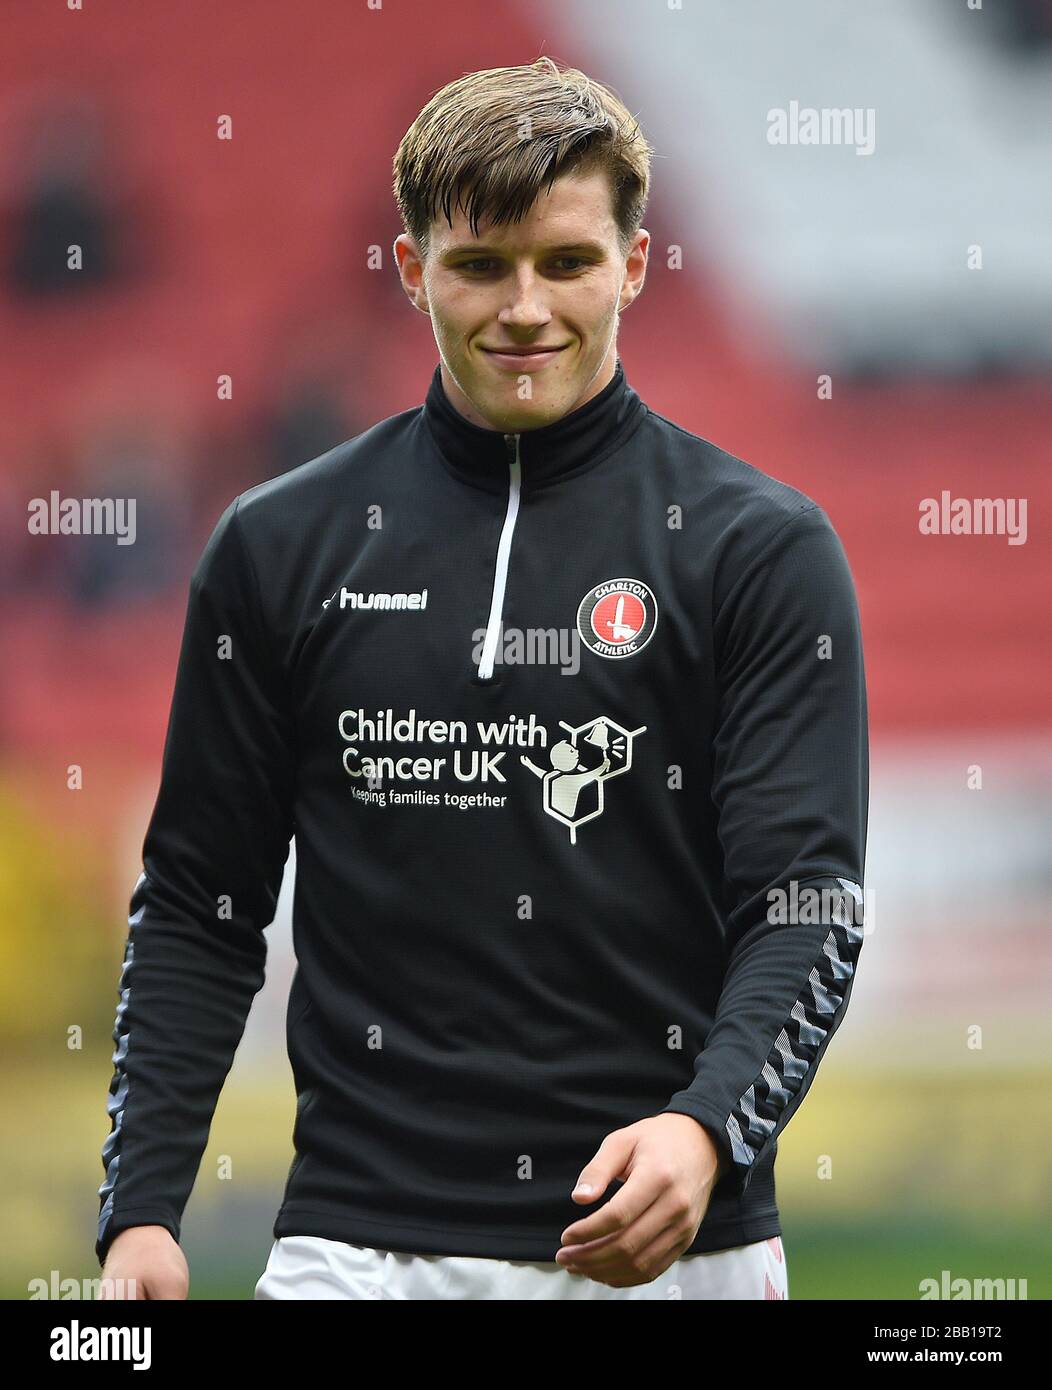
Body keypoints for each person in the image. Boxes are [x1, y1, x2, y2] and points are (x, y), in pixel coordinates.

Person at [96, 56, 867, 1301]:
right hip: (356, 1249)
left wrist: (706, 1125)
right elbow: (199, 902)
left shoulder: (758, 548)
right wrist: (141, 1211)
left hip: (672, 1249)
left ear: (632, 263)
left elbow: (804, 908)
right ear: (410, 272)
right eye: (478, 265)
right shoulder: (278, 546)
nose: (523, 308)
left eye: (564, 262)